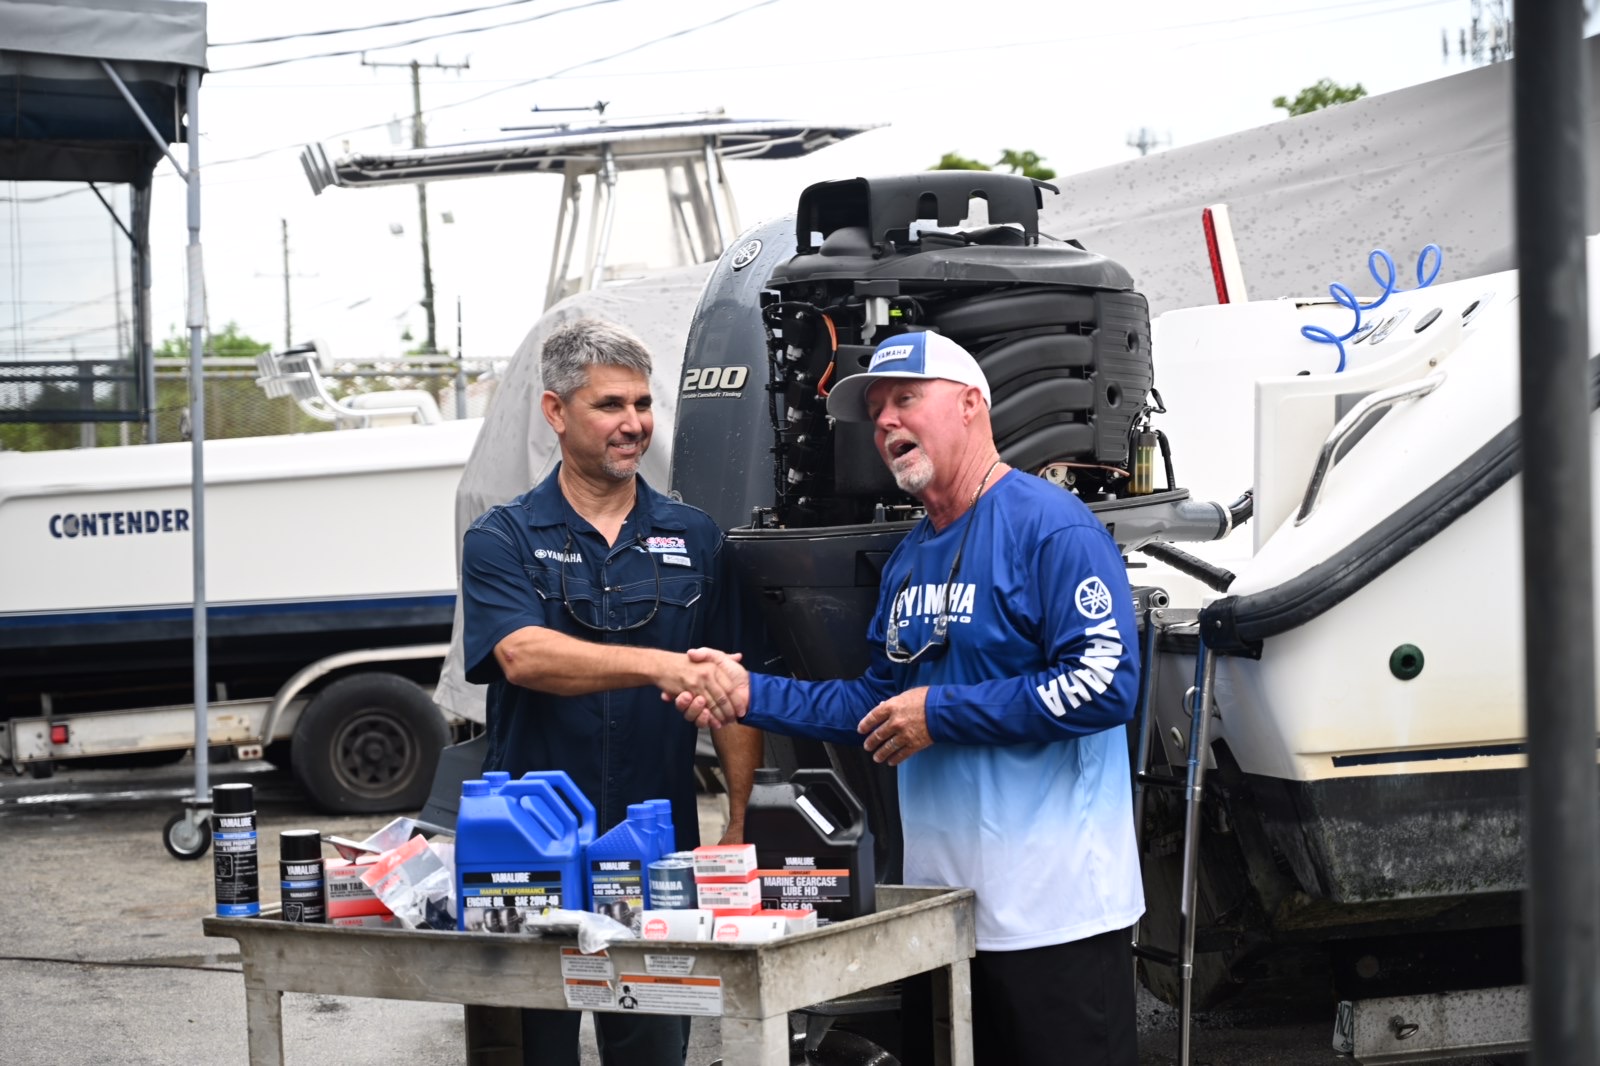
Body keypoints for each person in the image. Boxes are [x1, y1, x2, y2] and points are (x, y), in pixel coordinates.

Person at [675, 330, 1144, 1064]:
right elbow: (876, 705)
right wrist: (747, 694)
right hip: (938, 914)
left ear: (969, 406)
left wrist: (941, 714)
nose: (887, 421)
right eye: (877, 411)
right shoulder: (910, 558)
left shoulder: (1051, 526)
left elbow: (1106, 685)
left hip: (1057, 917)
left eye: (905, 399)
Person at [461, 317, 766, 1066]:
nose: (632, 425)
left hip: (654, 851)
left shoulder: (697, 539)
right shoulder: (502, 536)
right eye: (609, 406)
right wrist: (660, 666)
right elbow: (523, 655)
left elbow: (730, 684)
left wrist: (737, 819)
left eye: (641, 404)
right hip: (525, 857)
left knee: (656, 1047)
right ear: (556, 412)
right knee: (534, 1051)